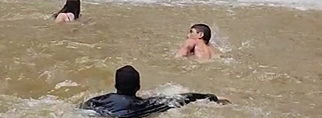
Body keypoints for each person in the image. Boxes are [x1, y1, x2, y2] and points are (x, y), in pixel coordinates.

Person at [80, 65, 229, 117]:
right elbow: (184, 98)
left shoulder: (95, 101)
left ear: (115, 85)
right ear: (138, 87)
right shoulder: (146, 104)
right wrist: (212, 97)